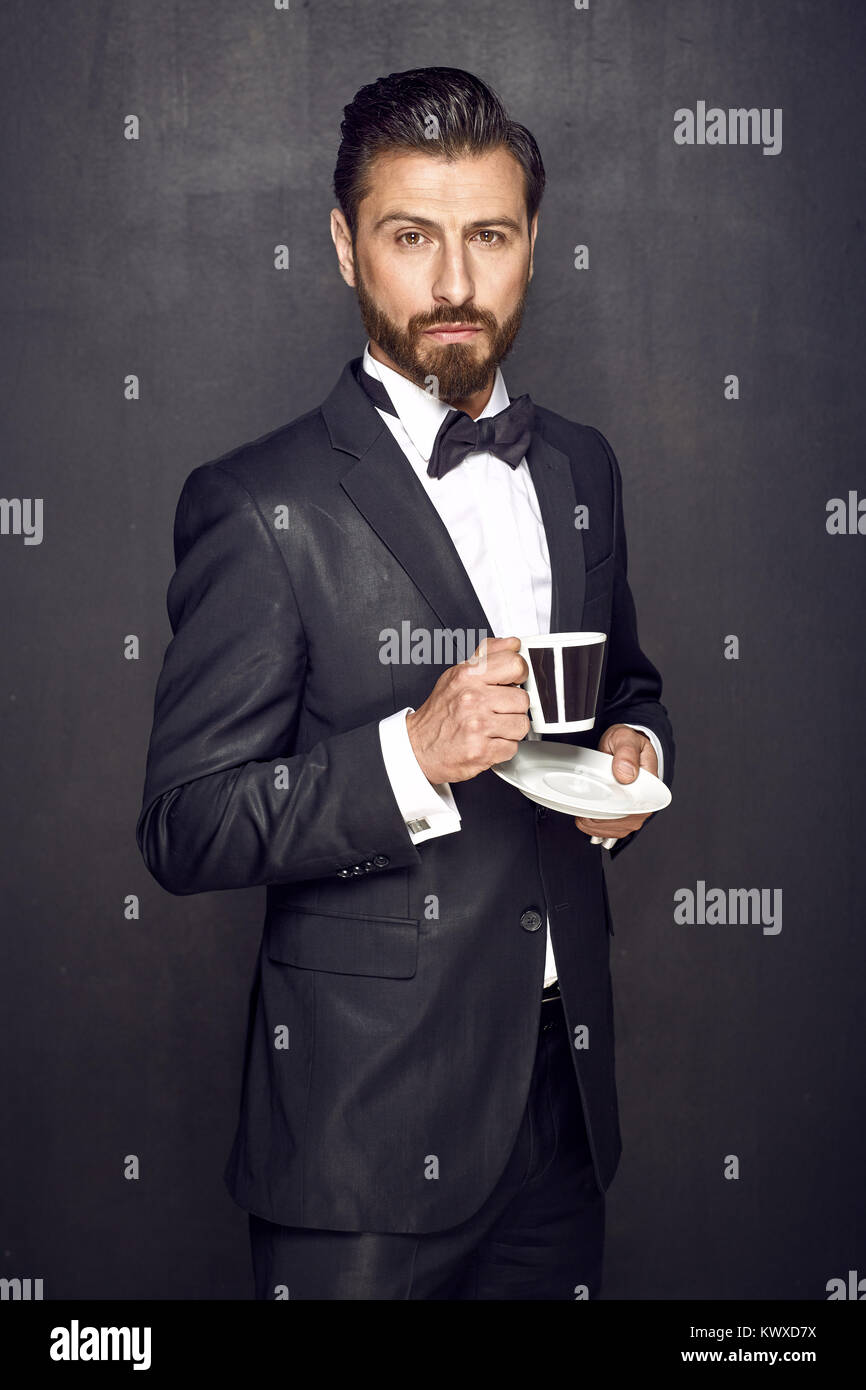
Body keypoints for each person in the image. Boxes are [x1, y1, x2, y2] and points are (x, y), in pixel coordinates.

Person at [136, 65, 675, 1300]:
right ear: (343, 247)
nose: (451, 283)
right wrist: (406, 758)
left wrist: (635, 760)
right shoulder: (254, 505)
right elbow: (184, 823)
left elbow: (626, 689)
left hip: (559, 1115)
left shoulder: (578, 469)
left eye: (486, 236)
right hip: (358, 1143)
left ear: (530, 244)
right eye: (408, 236)